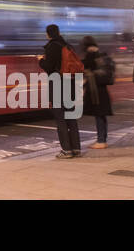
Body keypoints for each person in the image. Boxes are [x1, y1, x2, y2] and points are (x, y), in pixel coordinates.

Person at [39, 24, 83, 158]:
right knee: (71, 117)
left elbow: (49, 67)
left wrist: (41, 61)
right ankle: (76, 148)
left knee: (60, 119)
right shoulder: (67, 45)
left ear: (48, 34)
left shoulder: (52, 47)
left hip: (58, 84)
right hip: (70, 84)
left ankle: (66, 150)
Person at [81, 35, 115, 149]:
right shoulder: (101, 54)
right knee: (101, 115)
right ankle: (102, 139)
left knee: (99, 115)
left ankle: (101, 141)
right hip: (102, 89)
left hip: (95, 90)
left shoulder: (91, 55)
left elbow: (86, 68)